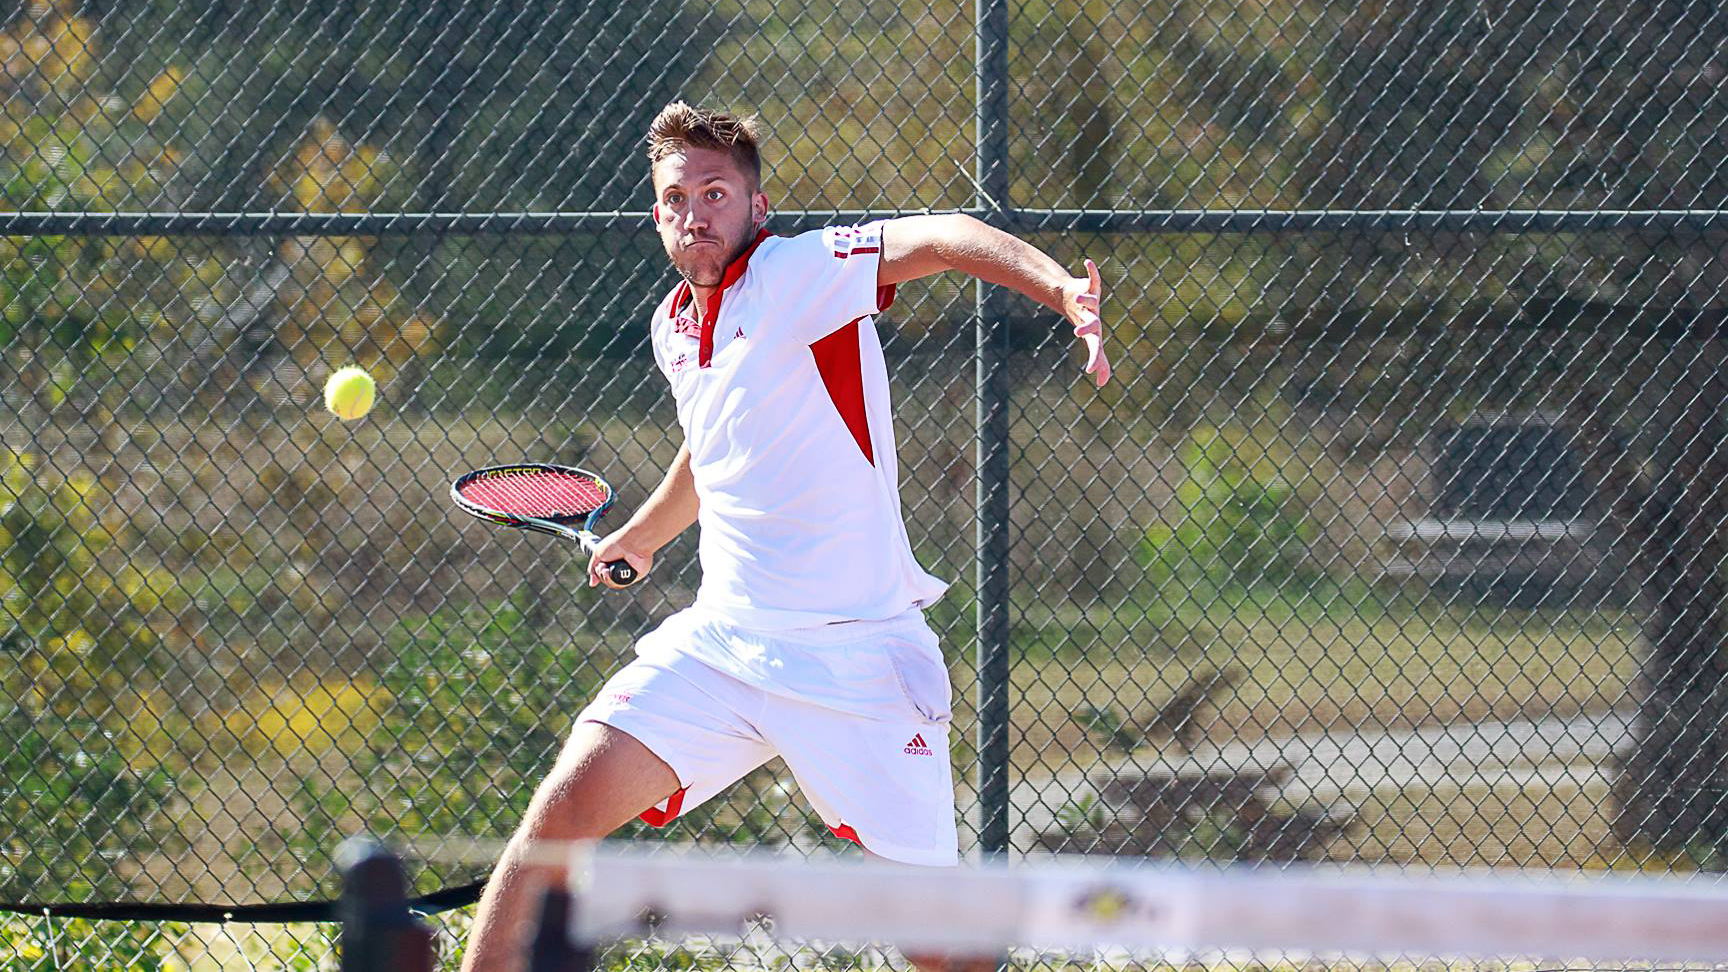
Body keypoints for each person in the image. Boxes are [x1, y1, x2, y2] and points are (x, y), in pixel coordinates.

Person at [460, 101, 1110, 972]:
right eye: (678, 197)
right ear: (657, 215)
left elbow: (949, 235)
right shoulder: (674, 330)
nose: (697, 212)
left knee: (944, 953)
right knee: (561, 812)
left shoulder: (803, 274)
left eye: (718, 192)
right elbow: (714, 445)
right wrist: (646, 537)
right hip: (721, 648)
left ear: (756, 208)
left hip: (858, 663)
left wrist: (1059, 288)